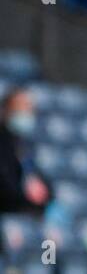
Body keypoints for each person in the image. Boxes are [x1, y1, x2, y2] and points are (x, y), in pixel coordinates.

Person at [0, 88, 53, 216]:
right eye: (20, 107)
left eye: (29, 108)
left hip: (24, 211)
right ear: (5, 110)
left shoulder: (24, 144)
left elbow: (37, 177)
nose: (26, 112)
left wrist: (46, 193)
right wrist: (25, 194)